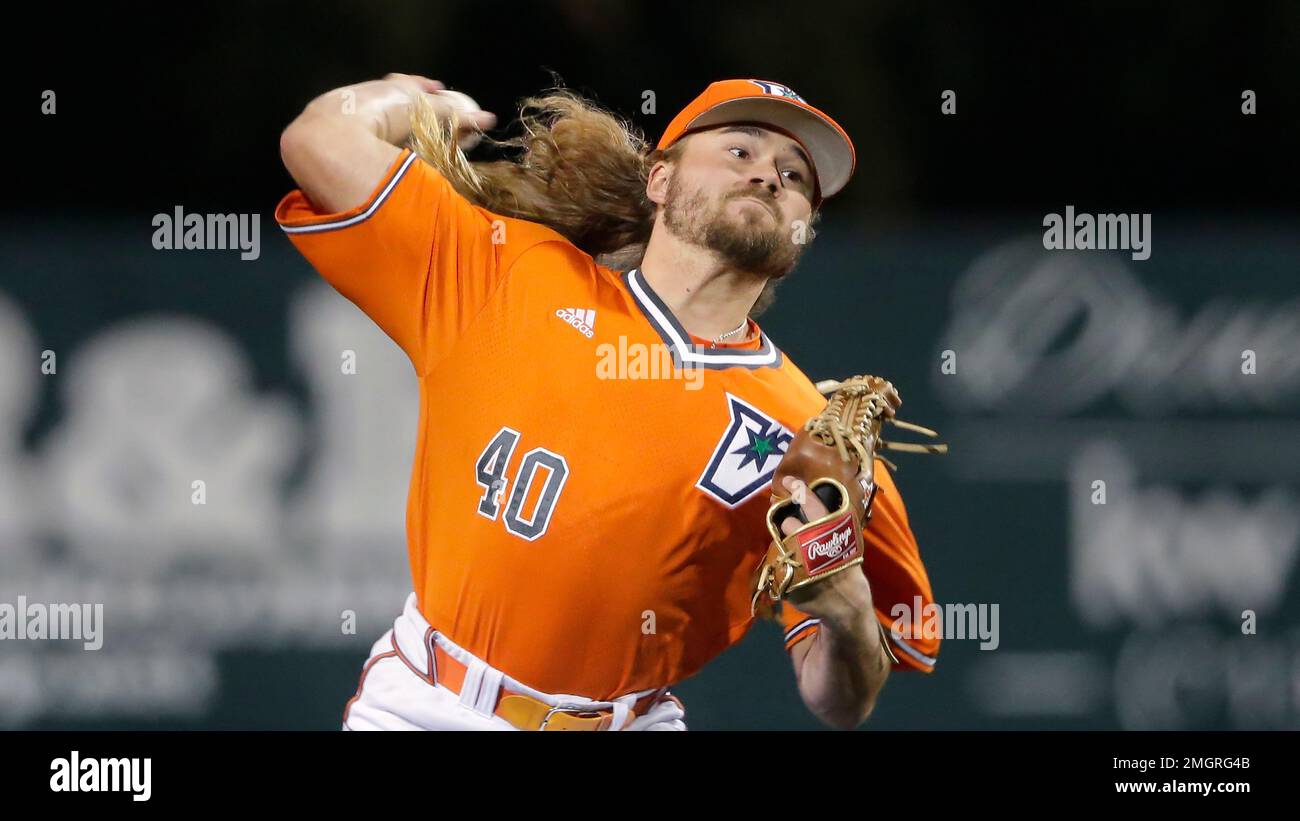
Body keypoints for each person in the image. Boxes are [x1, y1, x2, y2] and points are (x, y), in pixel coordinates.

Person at [276, 74, 939, 730]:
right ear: (661, 180)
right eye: (741, 151)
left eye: (796, 177)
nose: (771, 175)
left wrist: (847, 610)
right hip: (431, 705)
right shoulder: (509, 273)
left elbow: (841, 701)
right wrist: (408, 101)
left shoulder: (808, 436)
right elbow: (317, 138)